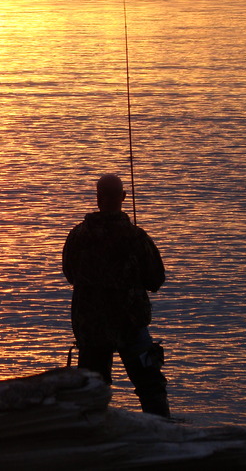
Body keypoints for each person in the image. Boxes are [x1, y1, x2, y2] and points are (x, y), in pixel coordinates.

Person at [62, 173, 170, 417]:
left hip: (91, 327)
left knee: (91, 392)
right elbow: (156, 280)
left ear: (97, 198)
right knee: (150, 387)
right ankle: (163, 435)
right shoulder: (136, 238)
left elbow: (70, 274)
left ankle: (89, 439)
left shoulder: (78, 236)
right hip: (130, 324)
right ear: (123, 197)